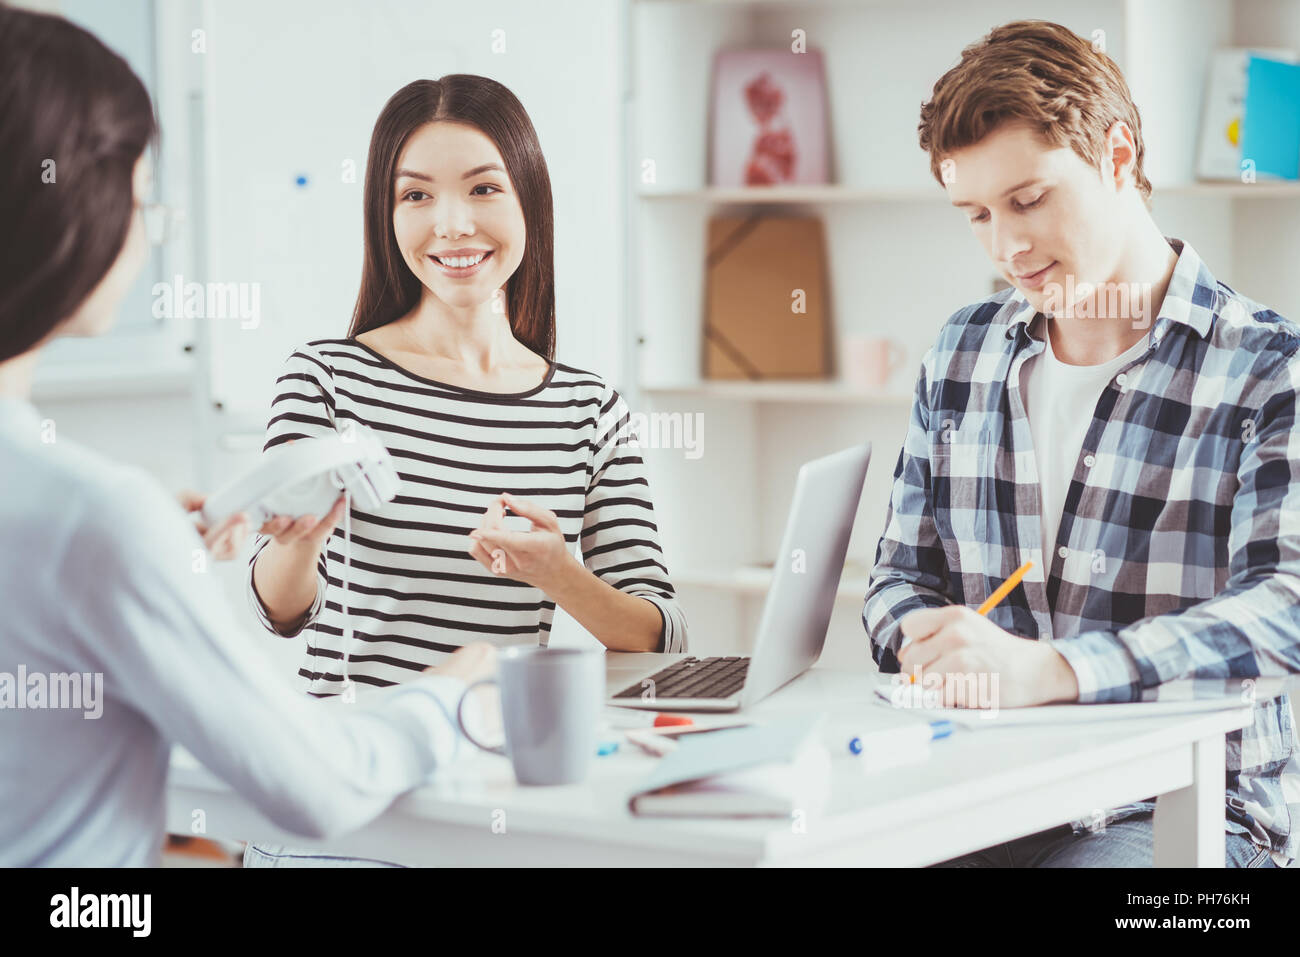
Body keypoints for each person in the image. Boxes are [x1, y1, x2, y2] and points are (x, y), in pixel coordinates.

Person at [0, 3, 495, 867]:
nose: (149, 232)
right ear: (63, 206)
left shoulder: (85, 518)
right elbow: (317, 787)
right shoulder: (93, 518)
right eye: (142, 199)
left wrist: (144, 547)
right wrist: (450, 698)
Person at [863, 19, 1299, 868]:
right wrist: (929, 642)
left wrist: (1053, 671)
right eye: (977, 214)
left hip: (1199, 816)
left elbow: (1287, 609)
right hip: (987, 788)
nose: (1007, 247)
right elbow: (897, 580)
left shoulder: (1267, 368)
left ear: (1119, 156)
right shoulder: (962, 351)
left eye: (1029, 200)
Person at [241, 75, 687, 866]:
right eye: (415, 197)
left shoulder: (589, 409)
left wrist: (560, 576)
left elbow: (658, 636)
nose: (451, 224)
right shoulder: (326, 378)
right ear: (387, 215)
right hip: (349, 796)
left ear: (529, 202)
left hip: (494, 806)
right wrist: (303, 536)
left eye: (483, 187)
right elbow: (277, 608)